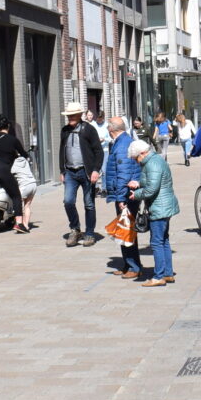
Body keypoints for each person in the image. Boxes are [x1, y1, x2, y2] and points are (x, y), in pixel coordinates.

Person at [127, 139, 179, 286]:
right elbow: (151, 182)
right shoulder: (153, 161)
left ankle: (158, 276)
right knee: (164, 240)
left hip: (159, 207)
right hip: (163, 206)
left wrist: (136, 195)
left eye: (136, 158)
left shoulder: (153, 163)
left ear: (142, 153)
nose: (136, 162)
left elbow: (151, 189)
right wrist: (138, 183)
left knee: (156, 242)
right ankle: (167, 273)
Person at [101, 117, 142, 278]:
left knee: (127, 229)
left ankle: (134, 267)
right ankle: (128, 264)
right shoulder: (122, 141)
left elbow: (124, 174)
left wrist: (120, 198)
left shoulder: (122, 144)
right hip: (124, 193)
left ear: (111, 130)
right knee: (124, 228)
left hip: (126, 195)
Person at [60, 103, 104, 247]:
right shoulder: (65, 130)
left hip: (87, 172)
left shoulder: (88, 129)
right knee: (68, 201)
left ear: (80, 115)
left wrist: (96, 170)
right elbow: (62, 150)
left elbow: (98, 151)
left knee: (89, 204)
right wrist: (62, 170)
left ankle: (90, 233)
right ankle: (75, 229)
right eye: (68, 116)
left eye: (73, 115)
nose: (70, 118)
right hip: (70, 172)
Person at [0, 115, 30, 234]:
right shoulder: (13, 140)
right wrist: (26, 156)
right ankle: (19, 223)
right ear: (8, 126)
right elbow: (23, 153)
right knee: (16, 195)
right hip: (2, 170)